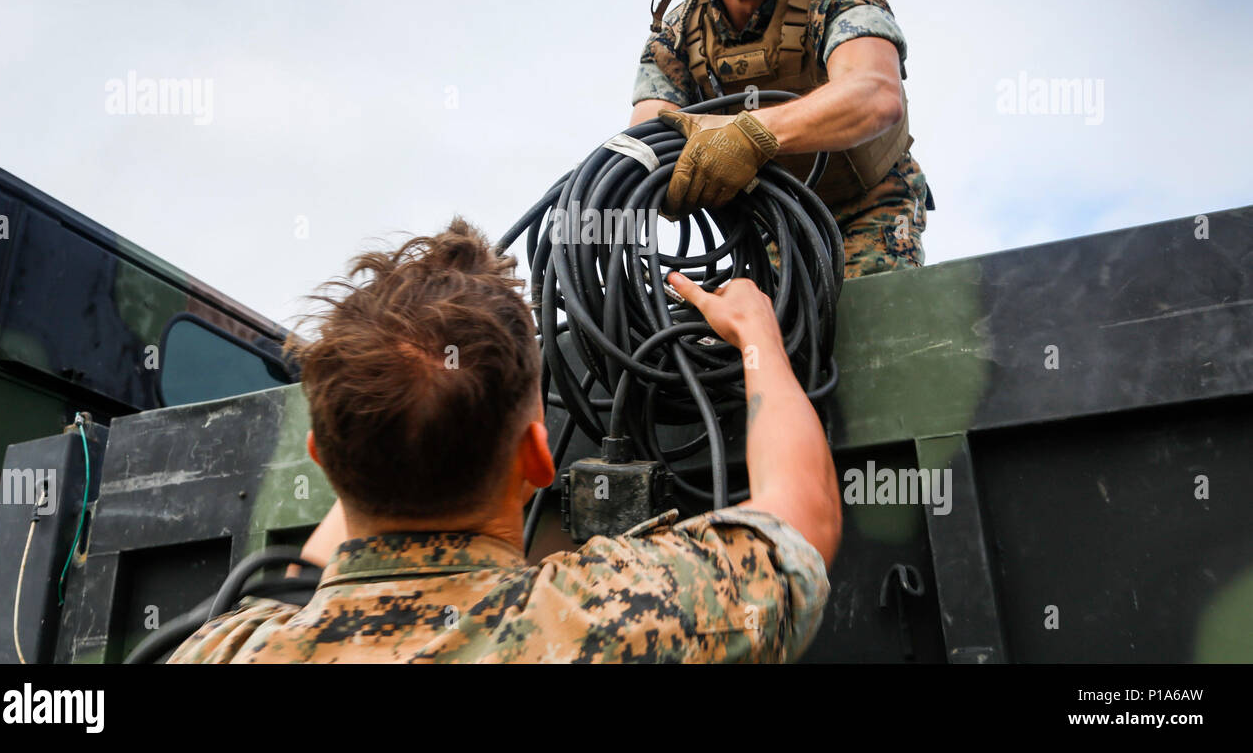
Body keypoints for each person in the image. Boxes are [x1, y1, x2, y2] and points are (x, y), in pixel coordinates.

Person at [168, 218, 840, 663]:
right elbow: (801, 516)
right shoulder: (620, 614)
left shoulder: (225, 651)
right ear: (538, 457)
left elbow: (305, 582)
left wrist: (381, 420)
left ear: (322, 460)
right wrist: (756, 336)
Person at [631, 0, 935, 279]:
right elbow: (647, 143)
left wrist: (753, 133)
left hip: (867, 208)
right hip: (770, 226)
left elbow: (875, 95)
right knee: (738, 342)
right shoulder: (677, 34)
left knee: (867, 327)